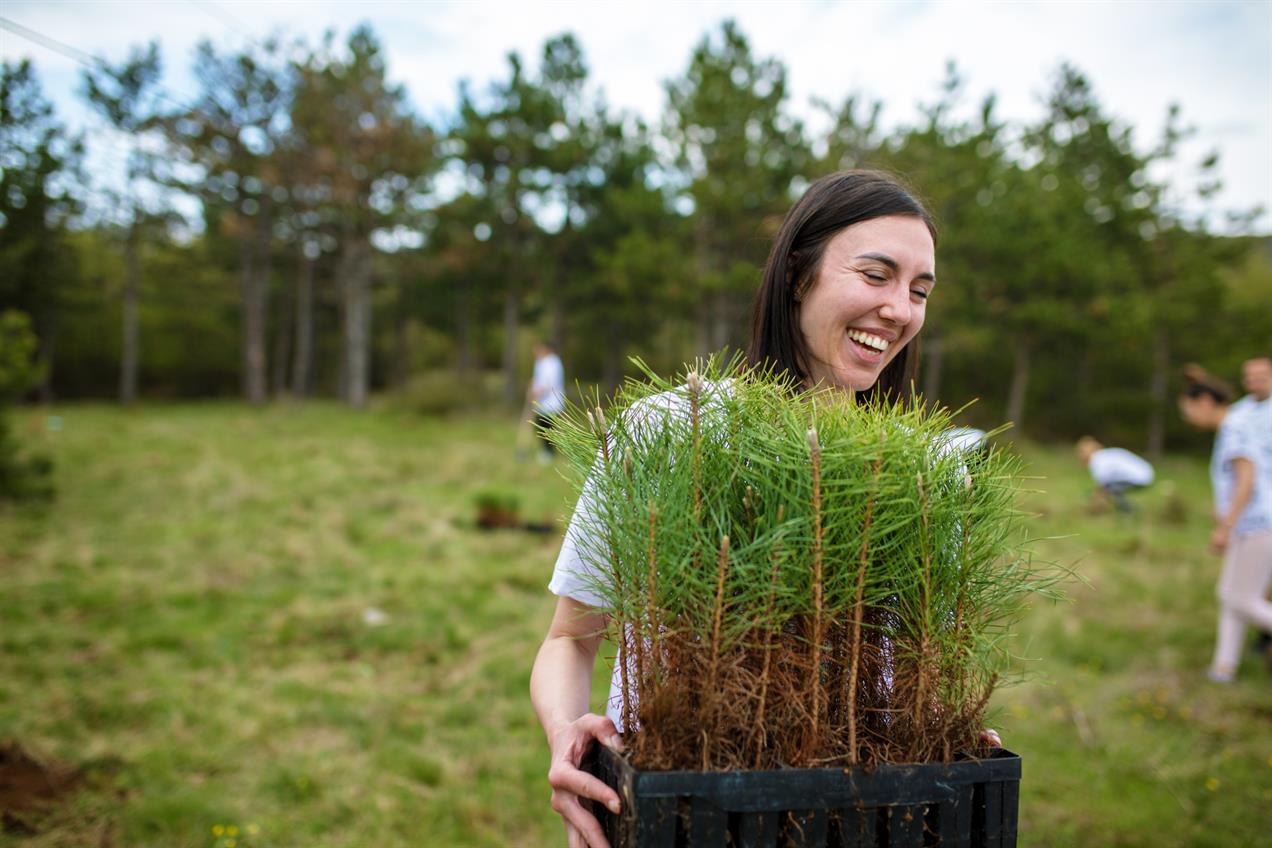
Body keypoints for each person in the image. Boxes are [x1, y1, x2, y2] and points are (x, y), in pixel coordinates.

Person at [529, 171, 999, 848]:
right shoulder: (671, 431)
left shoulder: (925, 473)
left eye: (919, 291)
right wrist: (565, 737)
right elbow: (570, 639)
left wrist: (946, 733)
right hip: (681, 820)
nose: (899, 308)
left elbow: (916, 664)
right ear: (796, 274)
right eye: (876, 274)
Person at [1178, 368, 1272, 683]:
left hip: (1258, 523)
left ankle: (1224, 667)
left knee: (1244, 599)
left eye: (1188, 409)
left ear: (1205, 402)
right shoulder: (1237, 421)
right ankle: (1224, 667)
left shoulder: (1234, 427)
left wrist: (1225, 526)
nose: (1188, 417)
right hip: (1250, 523)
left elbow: (1247, 478)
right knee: (1229, 594)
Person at [1074, 436, 1155, 514]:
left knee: (1112, 490)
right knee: (1109, 489)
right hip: (1145, 473)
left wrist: (1097, 502)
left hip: (1140, 477)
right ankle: (1125, 511)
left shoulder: (1097, 460)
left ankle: (1128, 512)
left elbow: (1102, 484)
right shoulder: (1105, 455)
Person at [528, 342, 566, 463]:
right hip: (542, 403)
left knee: (547, 428)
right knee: (540, 426)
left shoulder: (552, 363)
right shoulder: (540, 362)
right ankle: (546, 451)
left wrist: (536, 392)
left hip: (551, 402)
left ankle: (549, 452)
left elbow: (548, 383)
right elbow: (538, 379)